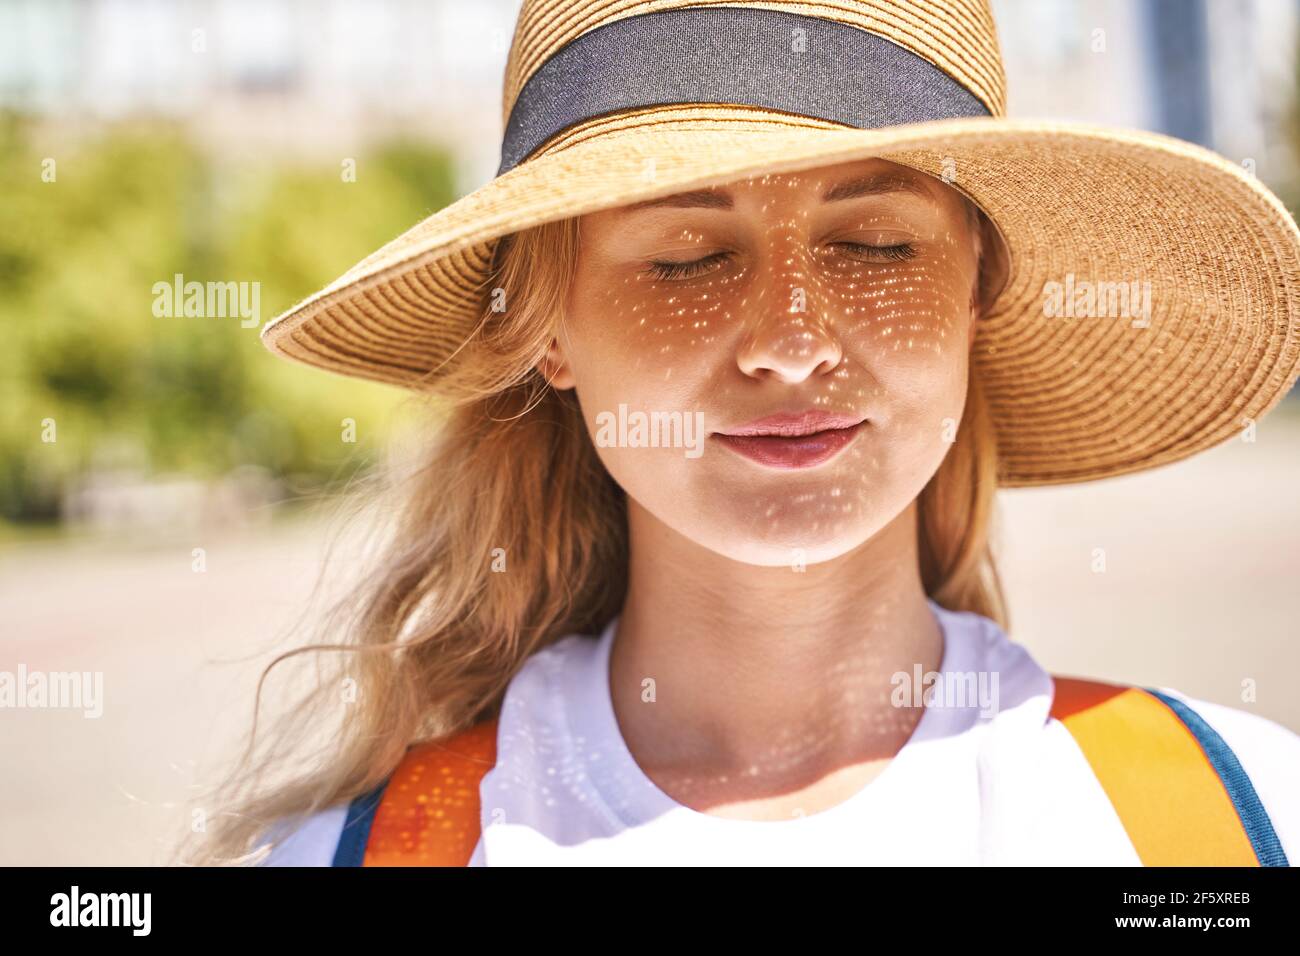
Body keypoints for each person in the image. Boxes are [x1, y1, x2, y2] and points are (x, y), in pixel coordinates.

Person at [184, 0, 1300, 866]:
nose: (792, 342)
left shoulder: (1228, 820)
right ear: (546, 329)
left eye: (875, 244)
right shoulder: (359, 854)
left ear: (977, 292)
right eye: (686, 256)